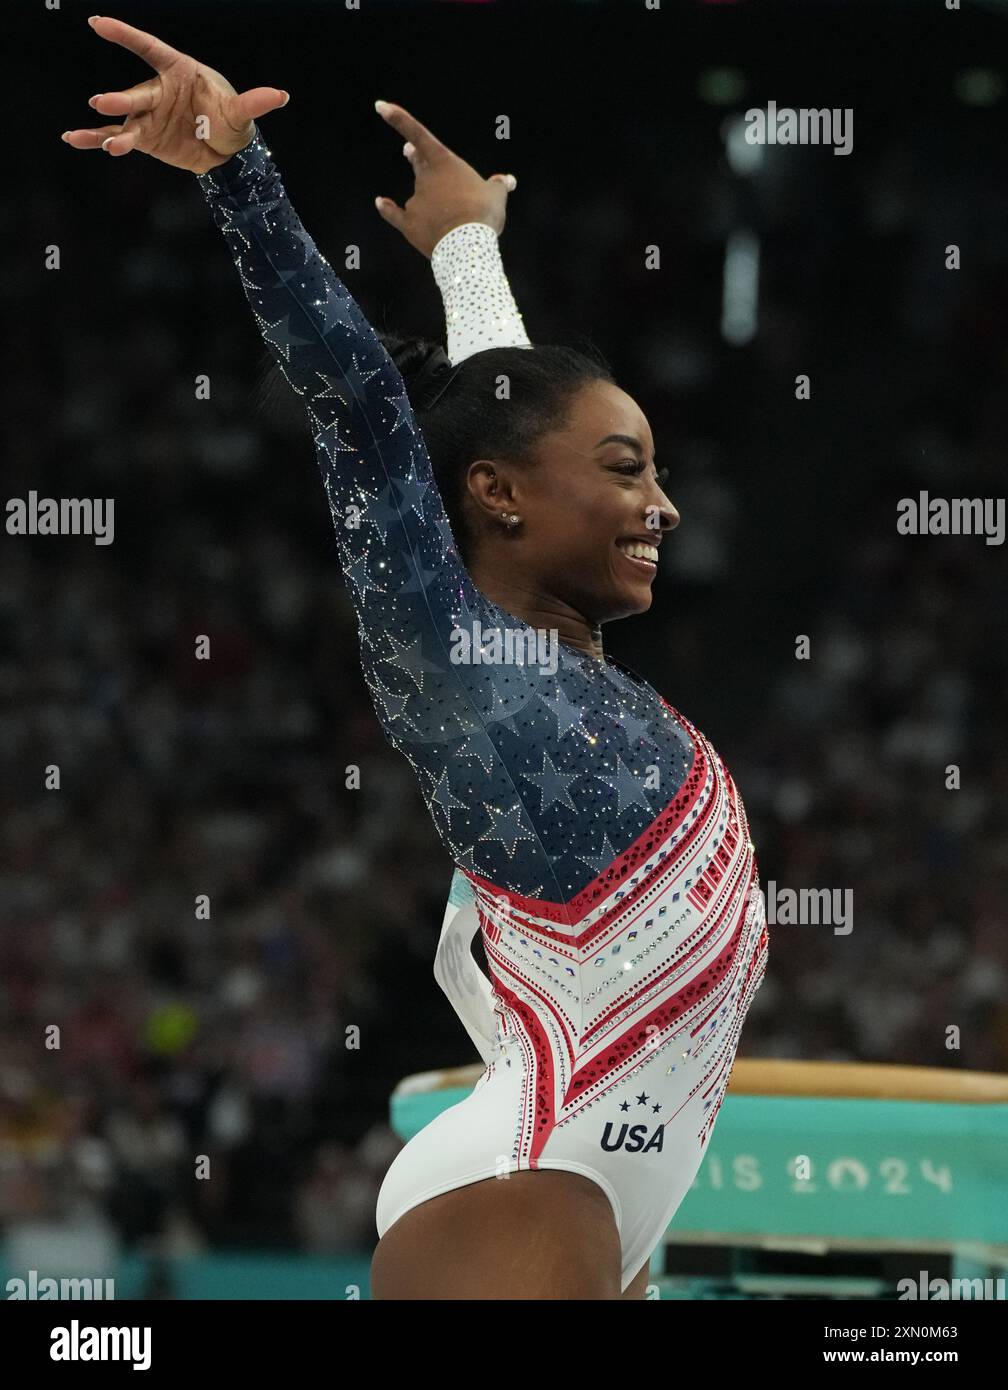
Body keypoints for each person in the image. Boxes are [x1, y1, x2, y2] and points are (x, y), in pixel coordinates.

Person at [65, 15, 769, 1300]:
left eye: (657, 471)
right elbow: (364, 406)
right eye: (628, 470)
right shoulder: (451, 651)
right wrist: (240, 175)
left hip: (574, 1161)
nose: (664, 505)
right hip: (534, 1181)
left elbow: (490, 402)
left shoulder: (556, 661)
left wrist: (466, 248)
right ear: (497, 499)